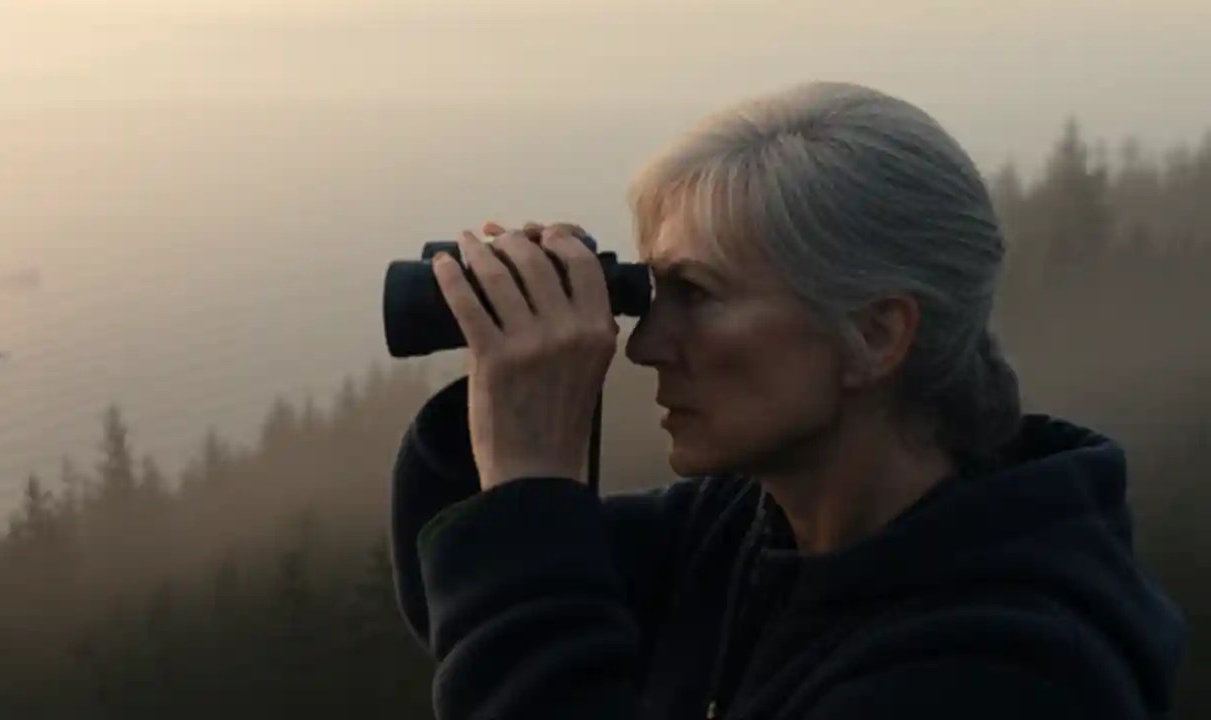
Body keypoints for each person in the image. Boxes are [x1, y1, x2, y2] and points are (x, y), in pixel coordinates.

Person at [387, 82, 1186, 719]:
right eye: (652, 291)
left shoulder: (1003, 672)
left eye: (695, 292)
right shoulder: (750, 530)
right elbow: (491, 617)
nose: (646, 343)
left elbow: (528, 629)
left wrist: (534, 473)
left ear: (876, 337)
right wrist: (511, 377)